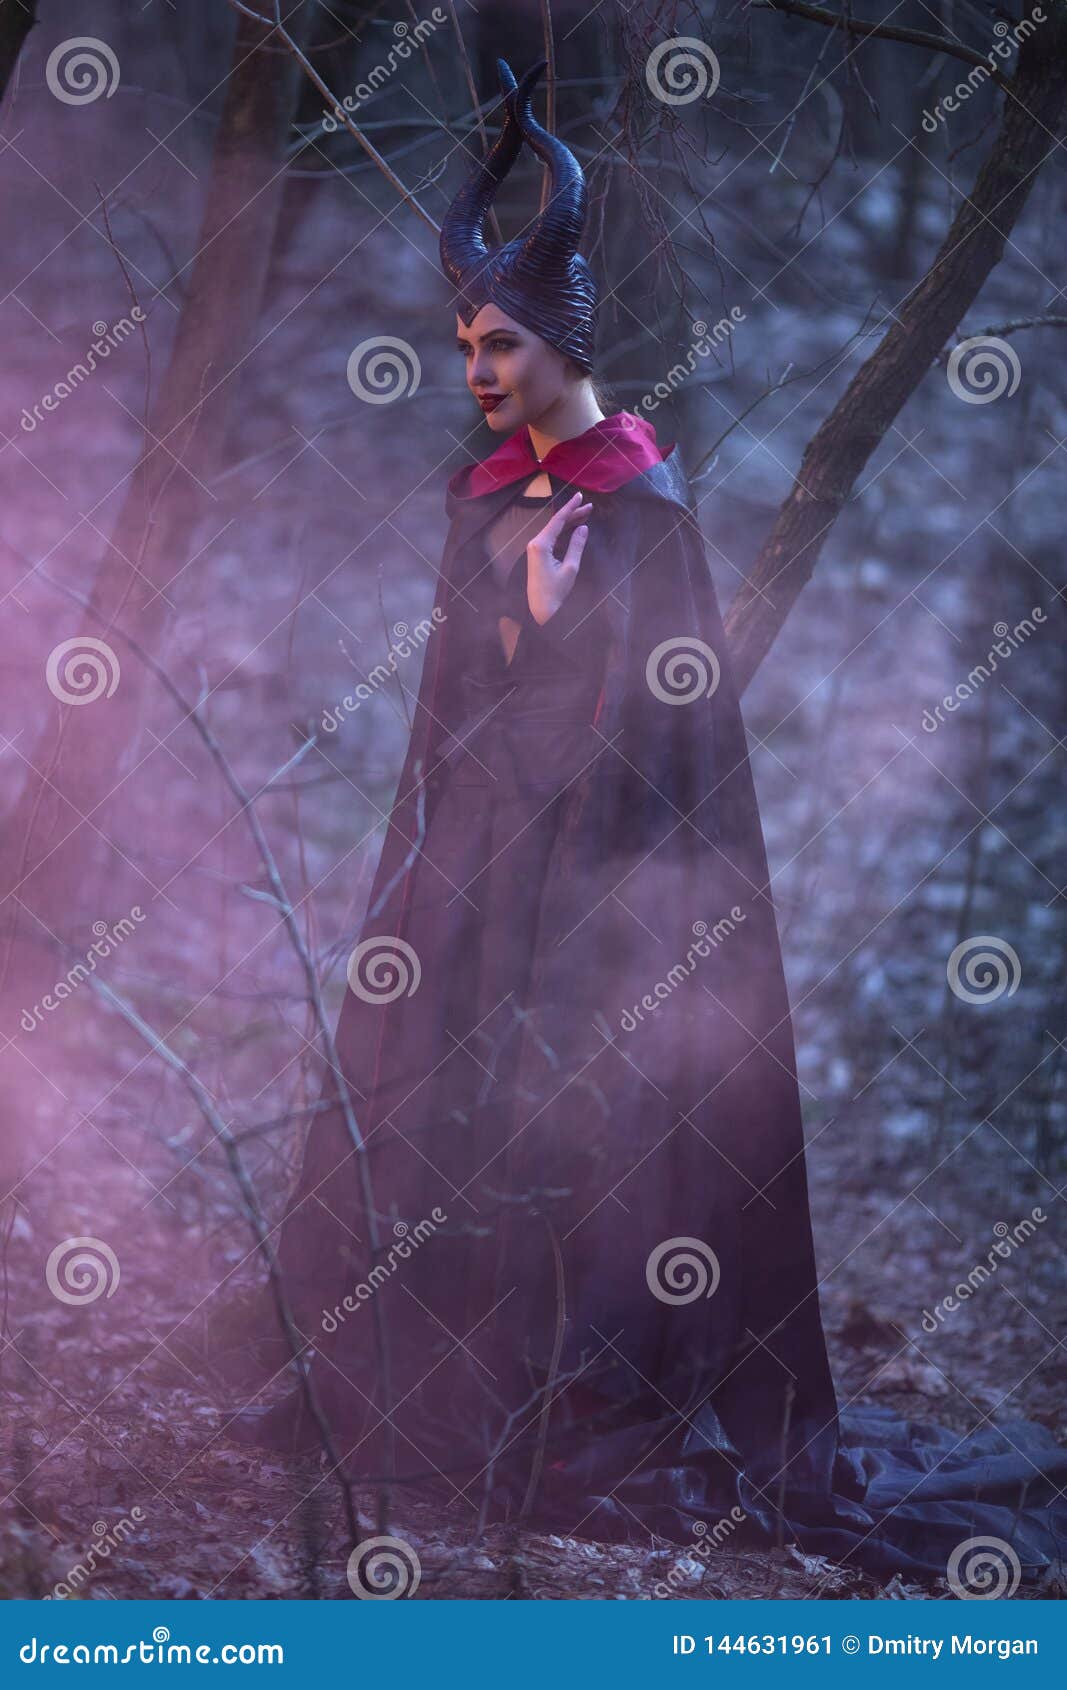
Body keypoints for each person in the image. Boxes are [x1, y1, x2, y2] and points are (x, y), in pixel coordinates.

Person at [229, 58, 1066, 1586]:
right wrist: (509, 628)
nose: (474, 369)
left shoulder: (643, 516)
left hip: (601, 935)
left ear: (563, 346)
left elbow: (631, 763)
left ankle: (573, 1391)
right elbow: (457, 732)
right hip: (479, 890)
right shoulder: (490, 495)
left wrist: (548, 628)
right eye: (463, 342)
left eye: (498, 344)